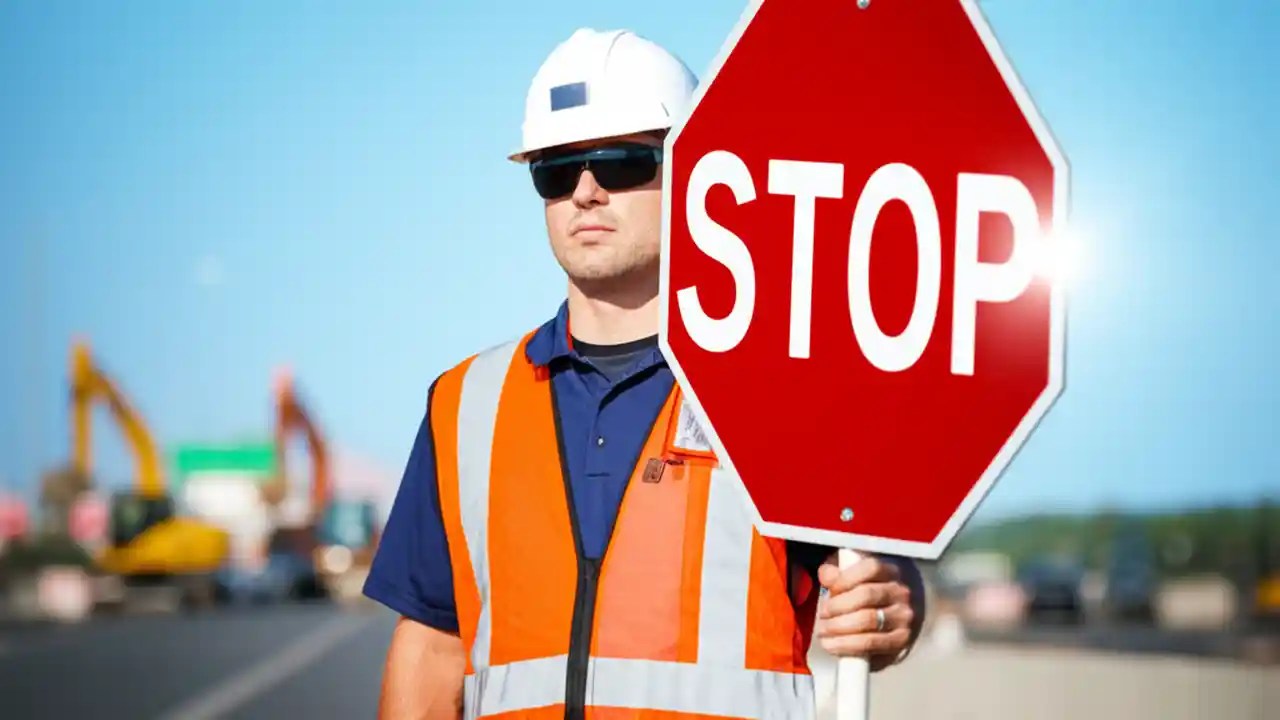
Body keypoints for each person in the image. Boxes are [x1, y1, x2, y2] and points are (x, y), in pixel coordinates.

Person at [365, 27, 926, 720]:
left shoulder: (780, 393)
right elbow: (431, 646)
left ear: (697, 170)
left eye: (623, 163)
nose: (587, 191)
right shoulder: (465, 405)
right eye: (556, 170)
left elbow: (875, 576)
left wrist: (896, 605)